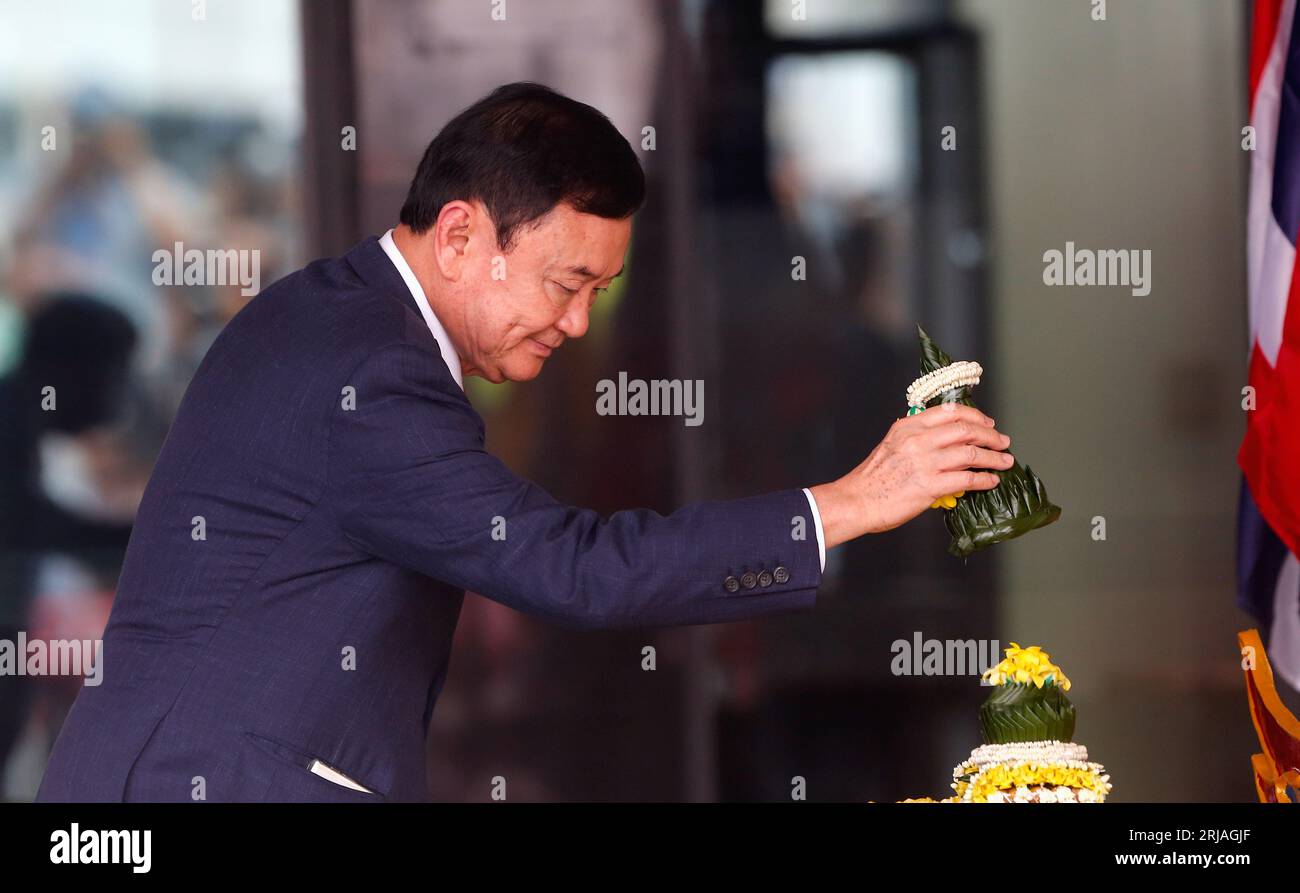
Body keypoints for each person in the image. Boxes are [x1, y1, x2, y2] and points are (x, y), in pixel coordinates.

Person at [35, 82, 1014, 802]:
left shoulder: (332, 319)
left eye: (600, 292)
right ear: (460, 237)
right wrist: (849, 501)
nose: (581, 323)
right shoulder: (369, 374)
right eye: (565, 283)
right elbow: (570, 569)